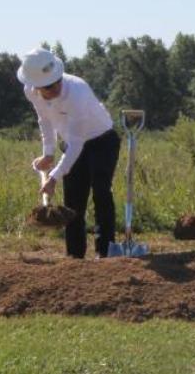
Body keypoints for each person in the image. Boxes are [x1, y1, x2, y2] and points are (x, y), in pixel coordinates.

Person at [18, 47, 120, 259]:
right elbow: (44, 119)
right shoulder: (31, 91)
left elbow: (76, 143)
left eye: (56, 82)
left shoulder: (77, 92)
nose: (54, 88)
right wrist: (48, 153)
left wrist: (54, 176)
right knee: (73, 201)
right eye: (47, 86)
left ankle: (106, 251)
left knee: (101, 191)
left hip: (101, 141)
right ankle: (74, 256)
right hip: (74, 143)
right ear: (36, 86)